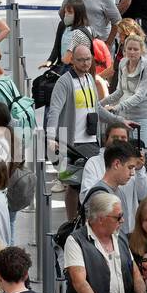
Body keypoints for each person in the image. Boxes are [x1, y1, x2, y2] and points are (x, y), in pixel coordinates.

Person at [46, 45, 115, 217]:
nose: (85, 63)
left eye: (88, 59)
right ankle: (71, 222)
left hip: (91, 142)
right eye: (80, 60)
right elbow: (54, 110)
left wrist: (119, 121)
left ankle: (86, 219)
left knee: (90, 182)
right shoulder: (64, 81)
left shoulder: (90, 79)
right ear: (72, 61)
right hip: (70, 144)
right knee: (73, 184)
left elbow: (97, 109)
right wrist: (50, 137)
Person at [103, 34, 147, 152]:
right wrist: (100, 104)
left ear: (142, 51)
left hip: (143, 117)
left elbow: (139, 96)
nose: (132, 52)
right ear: (124, 50)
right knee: (124, 154)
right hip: (125, 118)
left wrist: (116, 107)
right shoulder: (123, 63)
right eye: (129, 49)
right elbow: (119, 91)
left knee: (142, 154)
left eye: (136, 49)